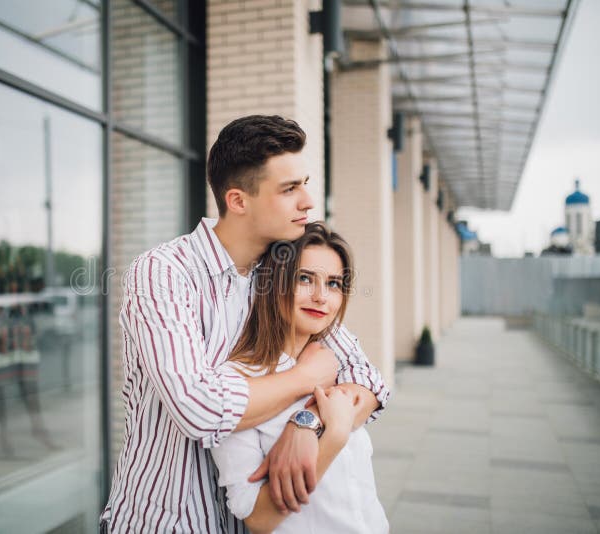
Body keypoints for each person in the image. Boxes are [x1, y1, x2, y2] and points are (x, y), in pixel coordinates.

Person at [100, 115, 389, 533]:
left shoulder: (281, 277)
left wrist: (306, 422)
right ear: (238, 200)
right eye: (290, 189)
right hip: (168, 522)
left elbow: (368, 378)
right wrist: (306, 377)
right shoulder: (163, 272)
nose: (308, 201)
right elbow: (199, 408)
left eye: (304, 183)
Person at [211, 222, 389, 534]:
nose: (321, 297)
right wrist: (332, 438)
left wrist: (304, 423)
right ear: (272, 284)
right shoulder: (238, 380)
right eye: (305, 278)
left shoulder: (337, 364)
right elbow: (257, 517)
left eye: (333, 284)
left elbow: (376, 387)